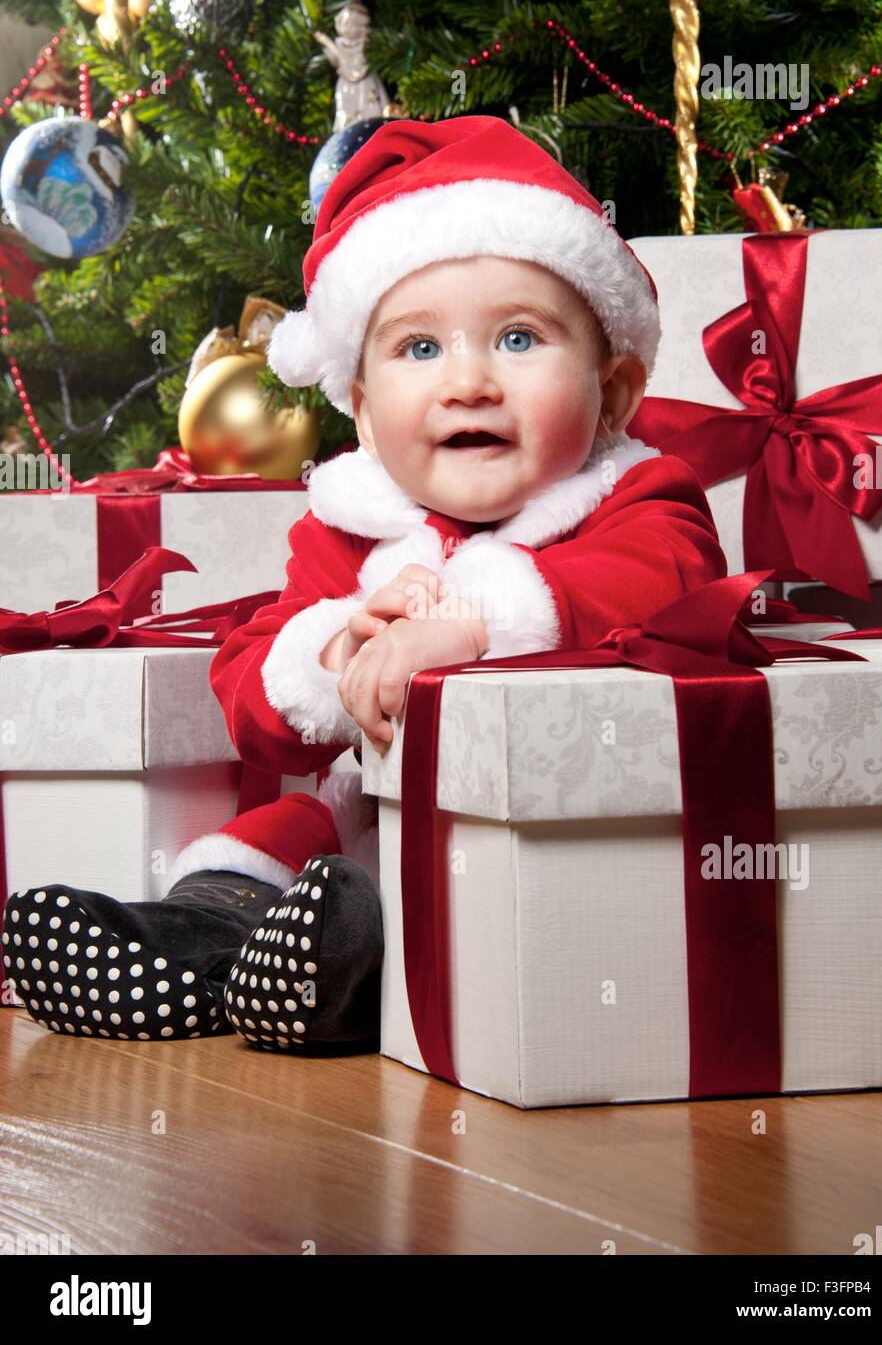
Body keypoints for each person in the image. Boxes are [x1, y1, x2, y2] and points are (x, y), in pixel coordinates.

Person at [2, 115, 728, 1054]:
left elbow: (664, 577)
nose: (467, 381)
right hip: (355, 823)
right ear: (363, 413)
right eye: (418, 350)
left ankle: (326, 982)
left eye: (517, 338)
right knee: (275, 846)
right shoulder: (348, 528)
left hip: (515, 859)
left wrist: (473, 620)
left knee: (365, 905)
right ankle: (186, 948)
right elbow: (250, 685)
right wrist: (334, 644)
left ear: (615, 394)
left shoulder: (635, 496)